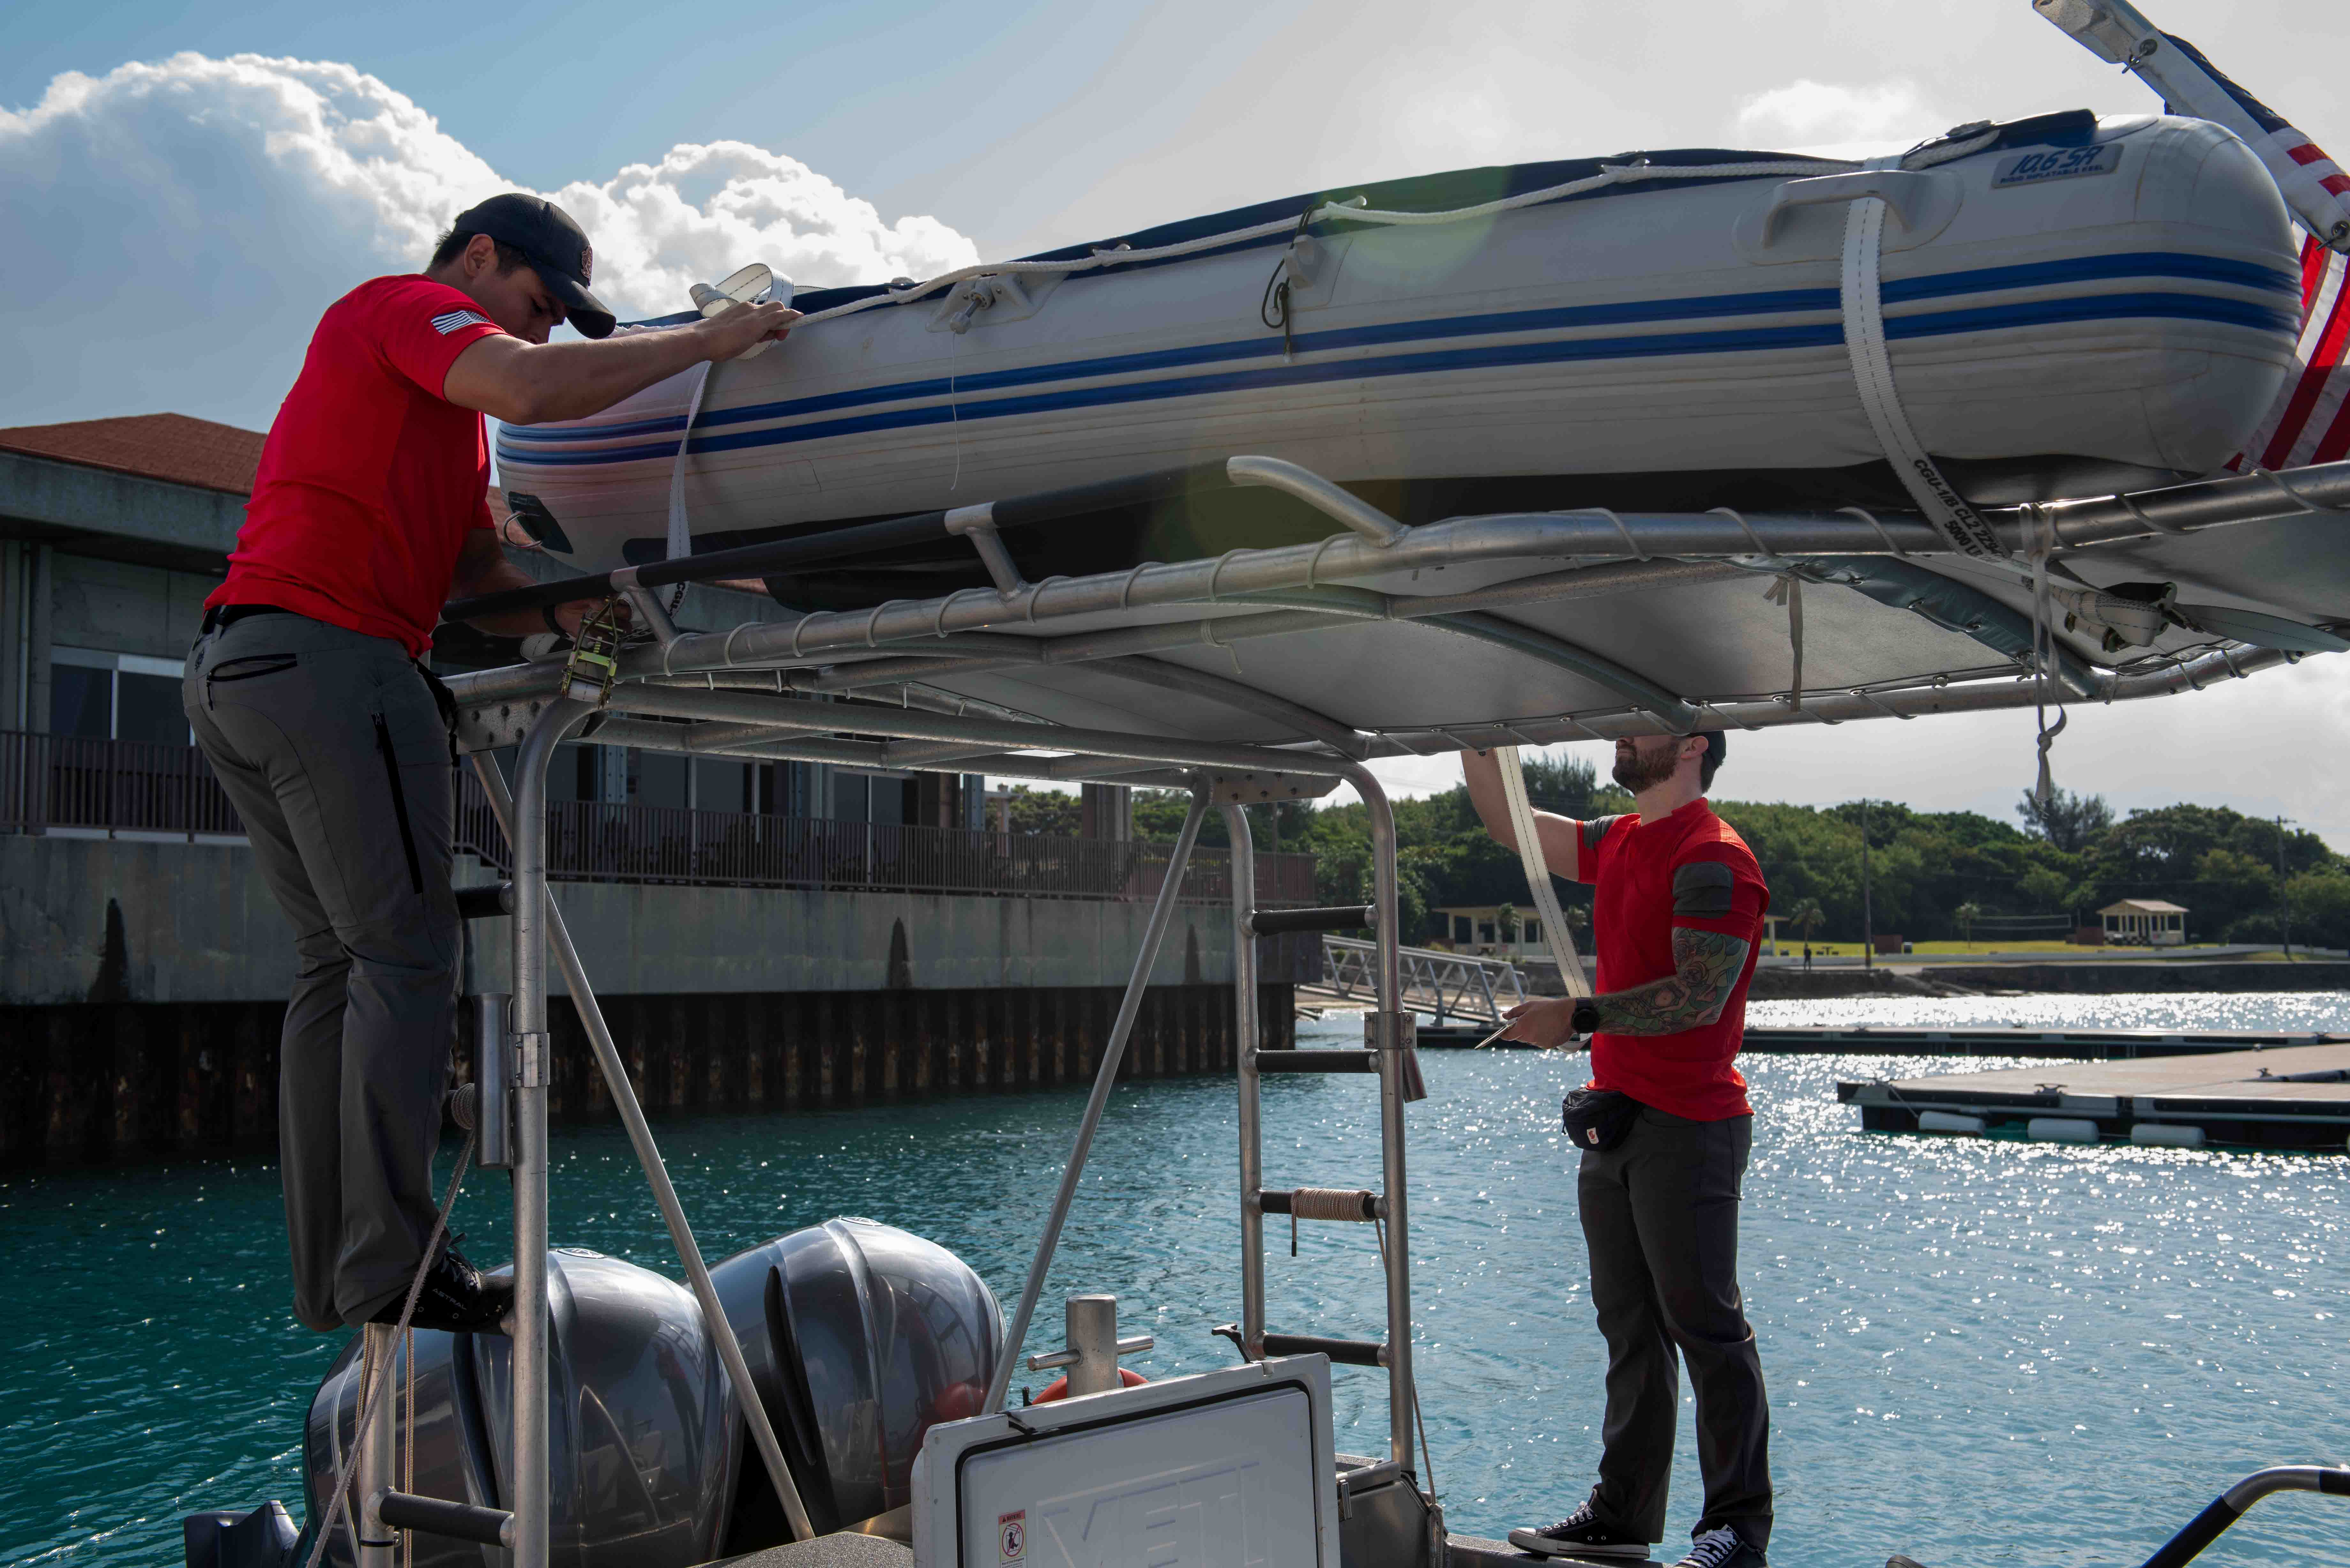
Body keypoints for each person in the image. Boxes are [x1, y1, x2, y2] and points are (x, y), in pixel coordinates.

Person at [183, 194, 797, 1335]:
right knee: (409, 959)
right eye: (540, 303)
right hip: (330, 661)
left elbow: (470, 577)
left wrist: (574, 617)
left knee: (338, 967)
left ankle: (341, 1276)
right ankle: (397, 1270)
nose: (550, 332)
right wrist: (710, 345)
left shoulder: (437, 414)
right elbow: (528, 387)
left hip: (244, 666)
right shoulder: (403, 309)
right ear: (478, 259)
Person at [1461, 732, 1774, 1568]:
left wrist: (1580, 1015)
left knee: (1706, 1329)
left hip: (1689, 1126)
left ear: (1691, 746)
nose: (1618, 739)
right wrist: (1475, 728)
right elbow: (1507, 822)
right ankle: (1623, 1517)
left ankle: (1737, 1533)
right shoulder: (1618, 840)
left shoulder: (1716, 858)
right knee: (1631, 1326)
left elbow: (1699, 998)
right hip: (1620, 1120)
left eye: (1638, 728)